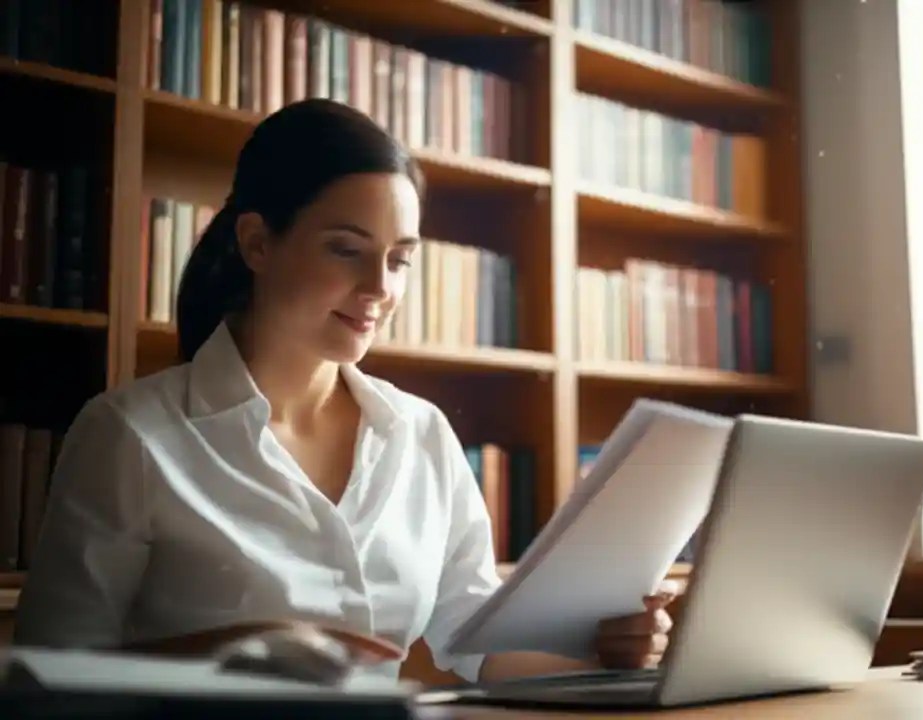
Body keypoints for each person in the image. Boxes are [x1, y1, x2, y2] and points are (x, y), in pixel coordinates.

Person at [13, 99, 677, 683]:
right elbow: (49, 671)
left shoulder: (420, 435)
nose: (381, 288)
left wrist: (604, 651)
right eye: (345, 249)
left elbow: (481, 644)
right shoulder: (129, 435)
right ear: (257, 242)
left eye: (400, 258)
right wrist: (236, 653)